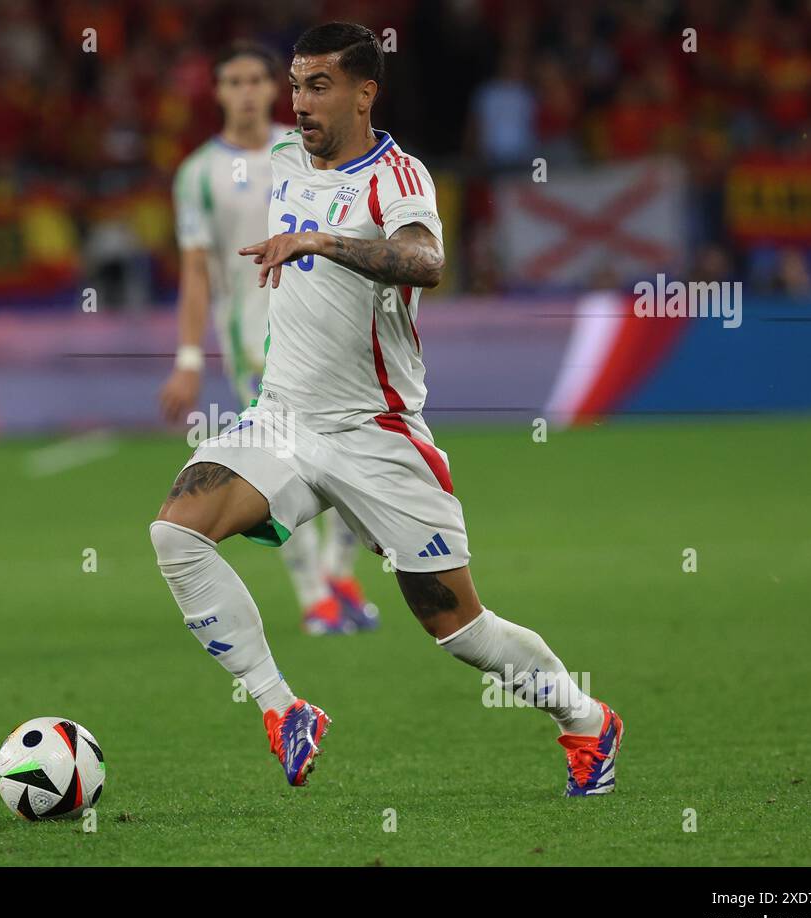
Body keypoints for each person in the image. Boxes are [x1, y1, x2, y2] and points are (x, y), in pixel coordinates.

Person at [149, 23, 623, 796]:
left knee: (458, 629)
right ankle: (283, 708)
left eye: (319, 86)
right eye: (296, 85)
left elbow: (428, 262)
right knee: (175, 532)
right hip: (285, 418)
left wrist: (324, 243)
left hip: (378, 433)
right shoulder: (278, 161)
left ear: (365, 92)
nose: (299, 102)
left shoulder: (397, 177)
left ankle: (584, 718)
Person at [159, 40, 378, 636]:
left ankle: (339, 576)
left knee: (351, 449)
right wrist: (186, 357)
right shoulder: (199, 175)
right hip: (256, 345)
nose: (248, 92)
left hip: (328, 332)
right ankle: (315, 597)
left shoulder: (302, 147)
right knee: (279, 465)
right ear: (219, 93)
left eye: (258, 80)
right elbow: (197, 273)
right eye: (234, 82)